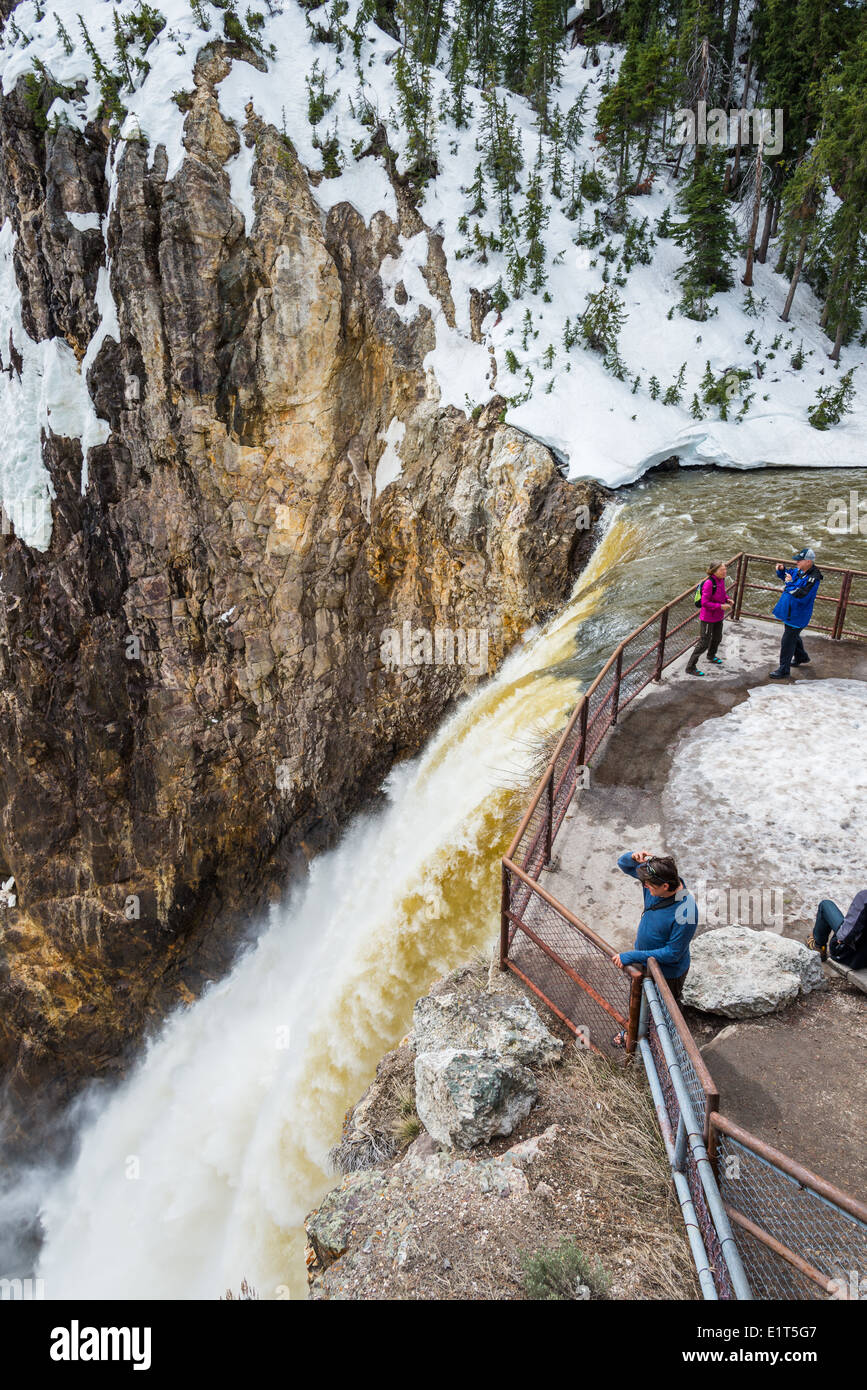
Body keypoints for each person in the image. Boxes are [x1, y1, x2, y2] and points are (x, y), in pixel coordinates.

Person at [610, 852, 699, 1046]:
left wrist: (632, 955)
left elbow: (673, 953)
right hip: (646, 962)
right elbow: (623, 864)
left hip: (667, 973)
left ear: (666, 887)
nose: (645, 888)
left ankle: (650, 1040)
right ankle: (635, 1033)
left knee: (660, 1007)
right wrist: (634, 857)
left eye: (649, 886)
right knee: (639, 1000)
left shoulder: (687, 911)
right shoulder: (657, 884)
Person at [769, 547, 823, 680]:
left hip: (797, 615)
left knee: (787, 641)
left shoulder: (813, 579)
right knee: (793, 635)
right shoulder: (800, 571)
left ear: (808, 562)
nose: (797, 562)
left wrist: (789, 583)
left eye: (800, 560)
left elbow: (801, 595)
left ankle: (784, 670)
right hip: (790, 612)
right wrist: (782, 570)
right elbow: (789, 573)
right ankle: (801, 657)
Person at [685, 561, 734, 676]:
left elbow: (721, 593)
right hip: (708, 618)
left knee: (717, 637)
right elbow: (704, 602)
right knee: (703, 642)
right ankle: (690, 667)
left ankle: (711, 656)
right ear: (714, 571)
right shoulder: (708, 583)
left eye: (725, 569)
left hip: (718, 616)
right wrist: (721, 606)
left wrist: (727, 599)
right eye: (722, 570)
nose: (725, 571)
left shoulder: (721, 580)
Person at [806, 889, 867, 969]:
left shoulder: (863, 897)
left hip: (850, 955)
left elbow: (845, 936)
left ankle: (819, 948)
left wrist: (841, 938)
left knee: (825, 904)